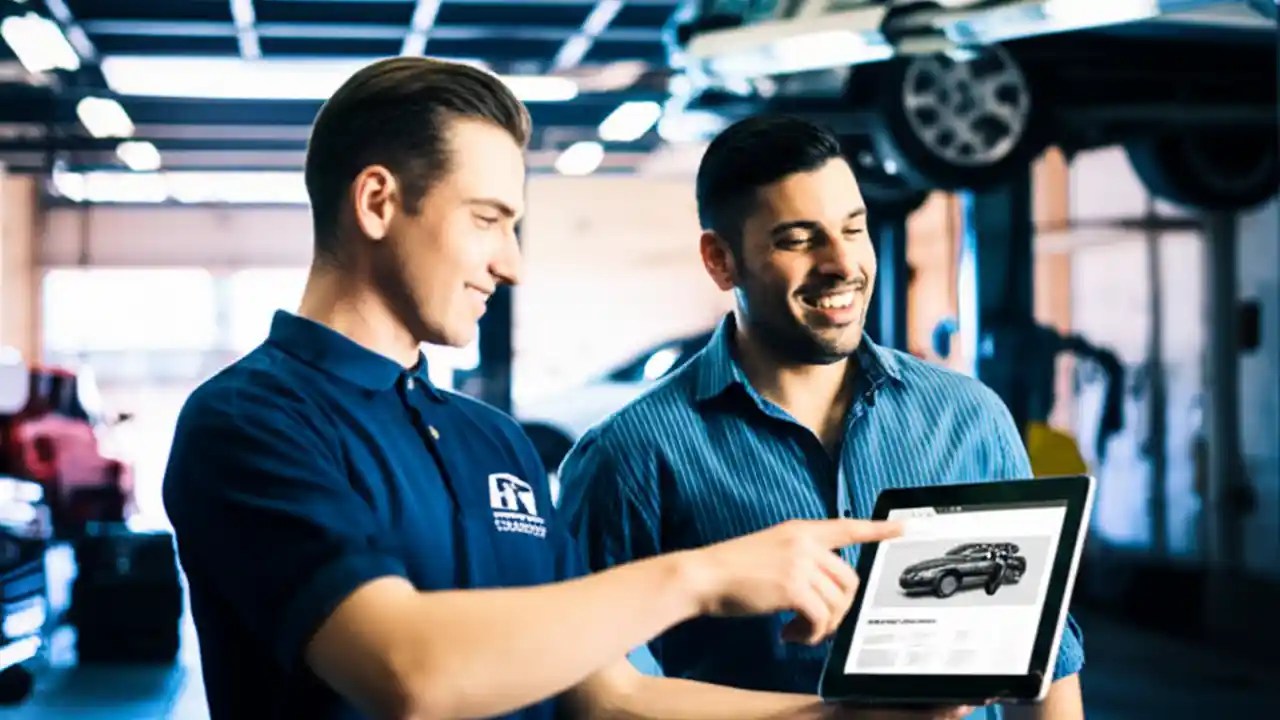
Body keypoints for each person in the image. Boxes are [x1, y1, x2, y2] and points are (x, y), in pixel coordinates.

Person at [158, 57, 966, 720]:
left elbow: (606, 698)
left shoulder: (493, 441)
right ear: (378, 202)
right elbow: (407, 670)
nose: (512, 263)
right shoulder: (251, 420)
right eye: (487, 219)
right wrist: (702, 575)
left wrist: (853, 717)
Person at [556, 115, 1087, 720]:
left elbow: (1049, 658)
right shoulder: (630, 457)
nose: (841, 263)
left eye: (853, 229)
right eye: (798, 239)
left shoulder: (968, 418)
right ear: (721, 261)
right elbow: (589, 696)